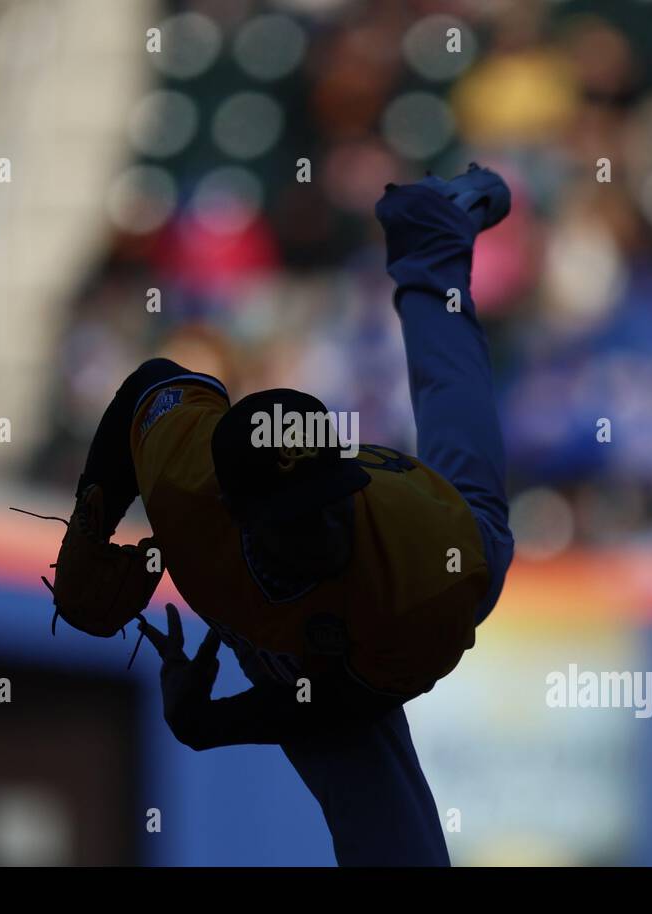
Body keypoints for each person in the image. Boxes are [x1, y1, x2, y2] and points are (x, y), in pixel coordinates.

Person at [71, 164, 515, 865]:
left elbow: (338, 706)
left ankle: (435, 239)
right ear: (239, 512)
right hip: (275, 613)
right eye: (299, 513)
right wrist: (88, 527)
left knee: (461, 433)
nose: (325, 521)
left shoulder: (421, 578)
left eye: (324, 499)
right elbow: (151, 386)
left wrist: (208, 722)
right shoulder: (189, 483)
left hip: (433, 554)